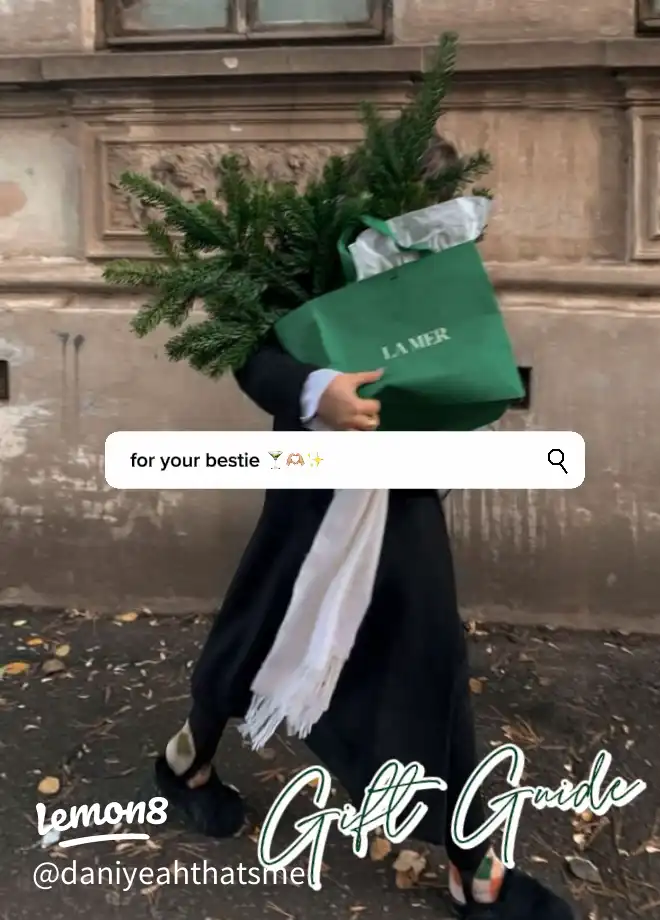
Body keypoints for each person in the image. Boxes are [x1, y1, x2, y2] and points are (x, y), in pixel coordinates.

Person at [154, 135, 575, 920]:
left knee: (432, 655)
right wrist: (319, 390)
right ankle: (186, 760)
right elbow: (252, 352)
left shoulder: (446, 274)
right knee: (255, 636)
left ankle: (471, 860)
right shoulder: (311, 262)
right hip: (311, 502)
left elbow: (460, 364)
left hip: (406, 502)